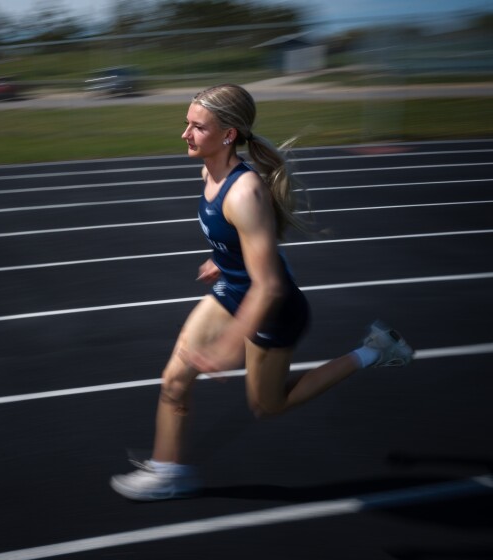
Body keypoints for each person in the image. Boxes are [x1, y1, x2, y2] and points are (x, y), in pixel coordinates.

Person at [110, 84, 414, 502]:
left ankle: (374, 350)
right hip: (233, 290)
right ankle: (168, 472)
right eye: (187, 124)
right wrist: (223, 257)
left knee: (268, 405)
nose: (185, 134)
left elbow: (268, 285)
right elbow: (248, 239)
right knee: (174, 378)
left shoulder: (243, 191)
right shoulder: (209, 172)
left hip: (273, 310)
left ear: (229, 134)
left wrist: (229, 346)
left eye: (197, 127)